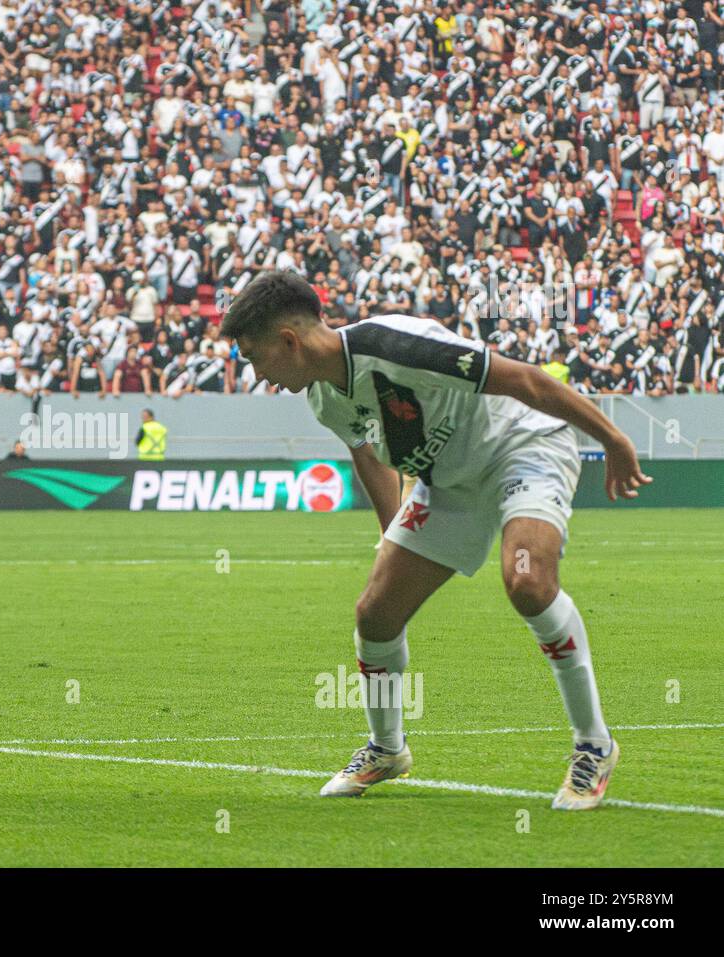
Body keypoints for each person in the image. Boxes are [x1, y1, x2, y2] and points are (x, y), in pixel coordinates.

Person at [222, 271, 651, 811]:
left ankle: (595, 745)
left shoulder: (395, 344)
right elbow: (367, 455)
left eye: (254, 356)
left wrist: (612, 439)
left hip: (522, 446)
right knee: (375, 614)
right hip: (446, 482)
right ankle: (387, 749)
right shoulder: (323, 399)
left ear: (289, 340)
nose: (258, 373)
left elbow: (527, 380)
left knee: (526, 581)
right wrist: (391, 537)